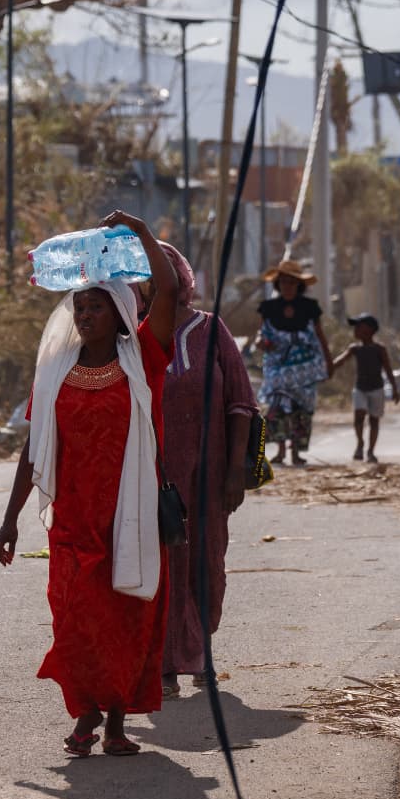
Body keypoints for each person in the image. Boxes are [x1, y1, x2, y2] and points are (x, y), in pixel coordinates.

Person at [0, 210, 179, 758]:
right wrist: (9, 520)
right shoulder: (55, 372)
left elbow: (166, 289)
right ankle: (85, 715)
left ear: (120, 313)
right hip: (74, 522)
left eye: (96, 305)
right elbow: (35, 448)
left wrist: (142, 232)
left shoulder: (143, 359)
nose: (85, 315)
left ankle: (117, 722)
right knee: (75, 618)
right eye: (79, 307)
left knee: (125, 617)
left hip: (130, 515)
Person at [153, 241, 258, 697]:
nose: (153, 284)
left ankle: (202, 651)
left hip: (212, 474)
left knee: (207, 562)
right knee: (164, 567)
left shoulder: (212, 331)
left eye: (161, 274)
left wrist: (236, 470)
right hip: (157, 477)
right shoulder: (133, 337)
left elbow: (241, 404)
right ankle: (170, 663)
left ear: (180, 279)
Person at [255, 259, 331, 467]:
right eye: (284, 281)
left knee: (301, 410)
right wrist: (262, 342)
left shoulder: (310, 307)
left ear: (299, 285)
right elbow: (260, 334)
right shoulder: (268, 307)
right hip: (277, 366)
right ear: (278, 284)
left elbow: (319, 335)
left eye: (292, 282)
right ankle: (279, 450)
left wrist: (328, 361)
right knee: (277, 408)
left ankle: (296, 451)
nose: (288, 286)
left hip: (305, 367)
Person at [331, 314, 400, 463]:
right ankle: (360, 444)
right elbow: (341, 360)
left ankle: (371, 451)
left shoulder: (379, 349)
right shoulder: (355, 349)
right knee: (359, 414)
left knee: (374, 420)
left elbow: (388, 370)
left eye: (358, 327)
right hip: (360, 388)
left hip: (376, 388)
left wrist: (394, 388)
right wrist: (328, 367)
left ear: (369, 330)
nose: (355, 330)